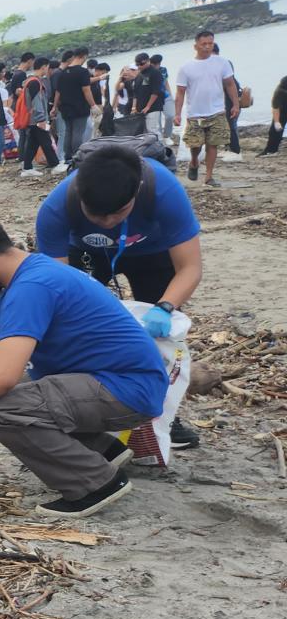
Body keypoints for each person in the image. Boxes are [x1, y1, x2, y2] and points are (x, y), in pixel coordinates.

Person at [0, 210, 165, 516]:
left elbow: (3, 377)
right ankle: (102, 450)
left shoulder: (31, 288)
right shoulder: (27, 276)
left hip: (126, 388)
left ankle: (95, 483)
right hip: (112, 380)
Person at [34, 144, 203, 450]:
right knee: (78, 330)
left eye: (118, 213)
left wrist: (165, 307)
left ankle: (163, 414)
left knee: (160, 341)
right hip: (86, 253)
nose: (107, 222)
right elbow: (54, 285)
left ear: (136, 192)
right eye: (95, 215)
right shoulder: (56, 208)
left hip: (151, 252)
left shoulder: (162, 189)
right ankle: (90, 413)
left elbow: (190, 268)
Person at [173, 30, 239, 187]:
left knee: (213, 144)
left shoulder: (222, 62)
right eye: (204, 44)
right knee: (195, 145)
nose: (207, 47)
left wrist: (235, 104)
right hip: (195, 114)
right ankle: (194, 162)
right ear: (195, 45)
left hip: (217, 111)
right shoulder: (186, 67)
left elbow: (230, 84)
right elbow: (180, 92)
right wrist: (177, 114)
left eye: (210, 43)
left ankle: (208, 177)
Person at [19, 59, 60, 177]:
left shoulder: (30, 81)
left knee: (33, 143)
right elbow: (37, 102)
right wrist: (41, 119)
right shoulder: (35, 83)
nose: (47, 70)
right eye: (47, 67)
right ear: (43, 67)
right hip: (37, 119)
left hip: (32, 119)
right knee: (46, 141)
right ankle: (55, 164)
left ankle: (27, 167)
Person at [265, 75, 287, 156]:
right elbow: (275, 107)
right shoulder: (280, 91)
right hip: (283, 108)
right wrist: (277, 122)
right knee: (274, 130)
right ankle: (271, 151)